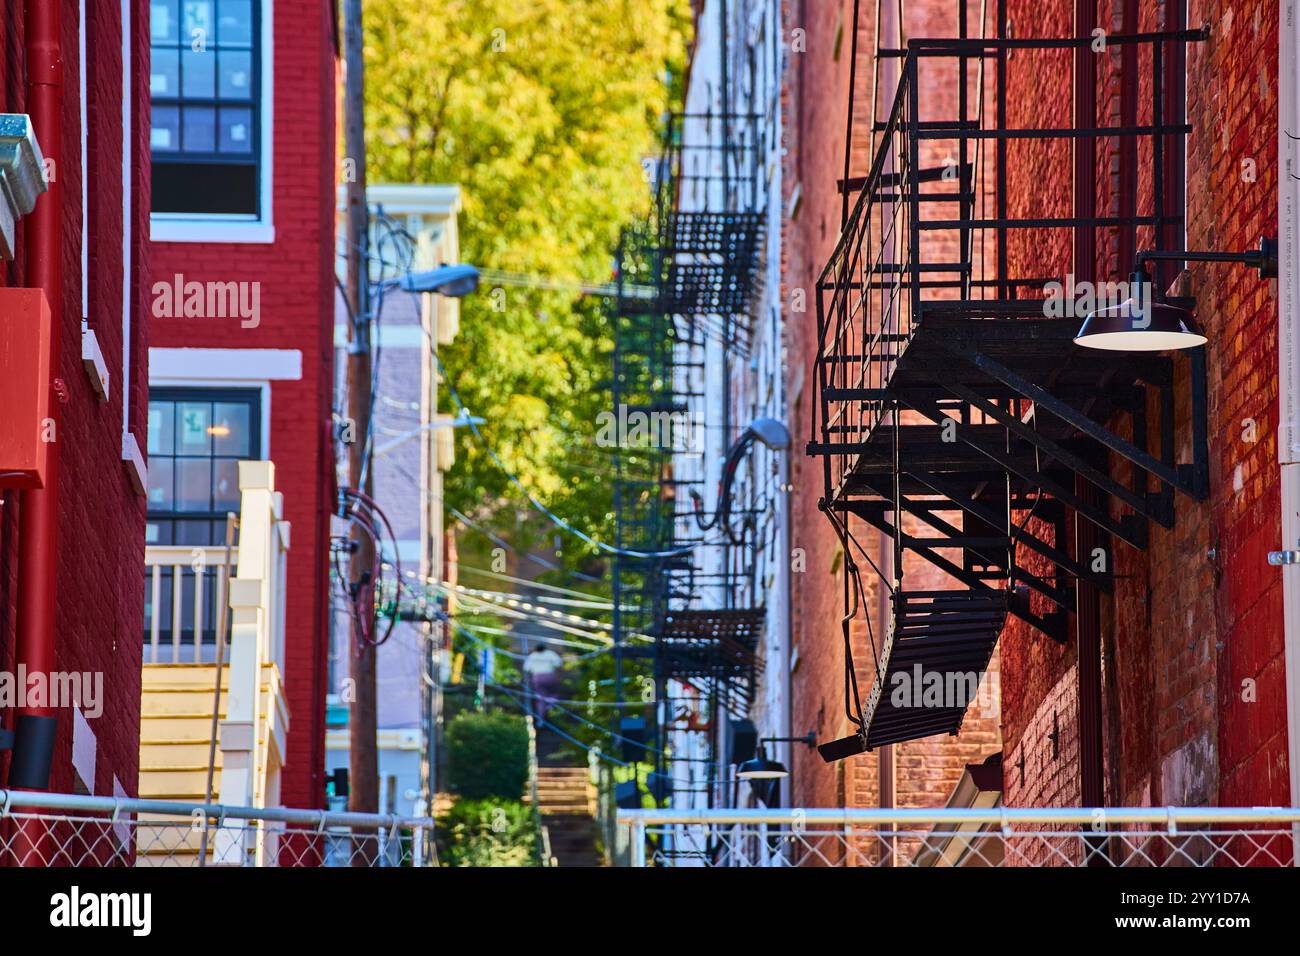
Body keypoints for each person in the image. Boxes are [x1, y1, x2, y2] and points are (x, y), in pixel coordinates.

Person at [523, 644, 564, 725]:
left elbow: (526, 668)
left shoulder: (532, 656)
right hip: (550, 676)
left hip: (538, 678)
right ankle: (549, 707)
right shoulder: (550, 653)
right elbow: (559, 664)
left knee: (541, 699)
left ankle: (541, 719)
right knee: (554, 694)